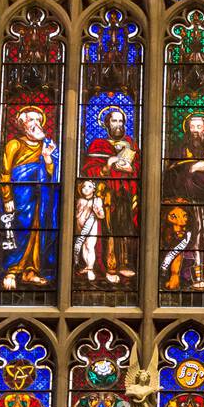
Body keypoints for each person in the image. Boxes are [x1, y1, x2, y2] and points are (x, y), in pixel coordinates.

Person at [161, 112, 204, 291]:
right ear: (187, 129)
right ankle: (196, 278)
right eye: (192, 127)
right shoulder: (179, 150)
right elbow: (170, 177)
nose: (195, 131)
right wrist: (193, 168)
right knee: (195, 240)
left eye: (199, 127)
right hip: (188, 202)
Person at [0, 105, 59, 290]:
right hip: (20, 198)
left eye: (38, 120)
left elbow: (51, 174)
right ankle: (11, 269)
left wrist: (48, 158)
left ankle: (31, 271)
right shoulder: (14, 144)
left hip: (41, 198)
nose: (36, 124)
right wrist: (7, 198)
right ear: (22, 125)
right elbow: (5, 173)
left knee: (39, 232)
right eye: (30, 120)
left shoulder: (46, 146)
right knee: (20, 230)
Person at [80, 106, 140, 285]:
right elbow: (88, 170)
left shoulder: (131, 144)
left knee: (127, 228)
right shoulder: (98, 144)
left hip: (127, 194)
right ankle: (106, 265)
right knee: (108, 229)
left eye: (121, 121)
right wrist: (107, 166)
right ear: (107, 124)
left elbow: (141, 168)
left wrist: (131, 169)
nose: (118, 124)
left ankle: (125, 263)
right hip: (107, 195)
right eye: (114, 121)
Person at [74, 179, 106, 282]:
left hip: (91, 226)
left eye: (89, 187)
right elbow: (76, 215)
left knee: (90, 246)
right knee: (83, 246)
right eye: (84, 187)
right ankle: (87, 266)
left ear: (94, 189)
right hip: (79, 226)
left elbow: (102, 215)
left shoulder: (97, 200)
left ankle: (91, 268)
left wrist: (97, 211)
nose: (86, 189)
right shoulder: (79, 200)